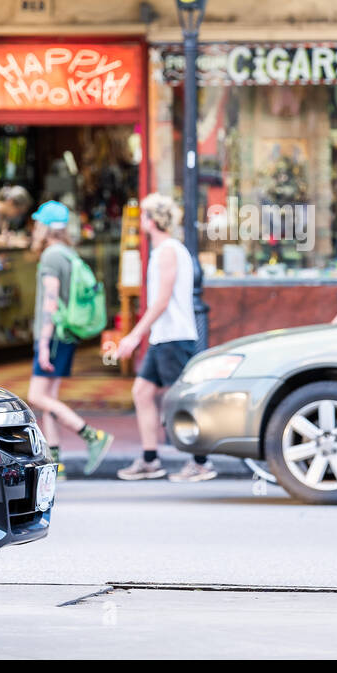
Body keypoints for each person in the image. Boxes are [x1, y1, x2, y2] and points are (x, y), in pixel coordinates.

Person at [114, 193, 214, 483]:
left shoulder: (169, 250)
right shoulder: (163, 251)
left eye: (144, 216)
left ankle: (201, 462)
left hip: (174, 336)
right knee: (142, 393)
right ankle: (150, 460)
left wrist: (134, 336)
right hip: (163, 337)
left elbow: (161, 301)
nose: (140, 221)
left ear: (154, 220)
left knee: (180, 401)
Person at [25, 199, 114, 478]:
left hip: (54, 336)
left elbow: (50, 303)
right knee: (50, 397)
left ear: (46, 227)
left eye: (39, 222)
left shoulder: (51, 256)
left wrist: (42, 343)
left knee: (36, 396)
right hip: (66, 336)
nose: (35, 227)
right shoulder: (67, 253)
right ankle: (56, 463)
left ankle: (92, 436)